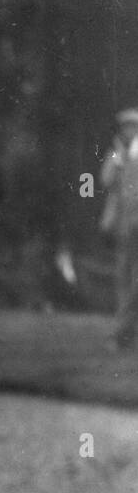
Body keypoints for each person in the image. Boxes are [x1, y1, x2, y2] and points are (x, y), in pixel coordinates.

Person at [99, 107, 138, 350]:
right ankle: (124, 332)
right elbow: (105, 180)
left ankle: (124, 332)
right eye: (125, 126)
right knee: (124, 279)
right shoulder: (118, 153)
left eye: (133, 126)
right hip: (124, 226)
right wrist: (118, 159)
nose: (128, 131)